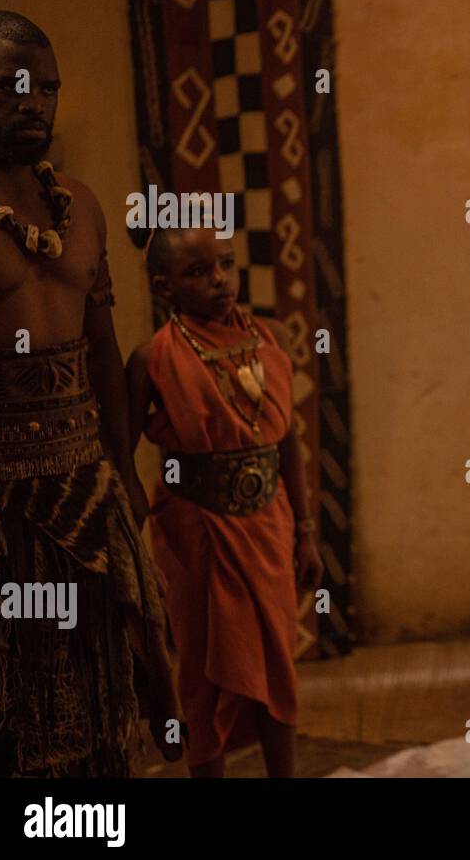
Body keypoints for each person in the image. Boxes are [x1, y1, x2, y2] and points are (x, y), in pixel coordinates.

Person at [0, 10, 177, 775]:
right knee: (4, 720)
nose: (34, 102)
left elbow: (100, 350)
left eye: (48, 87)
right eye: (10, 86)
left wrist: (122, 475)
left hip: (85, 494)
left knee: (101, 707)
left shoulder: (81, 207)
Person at [127, 226, 323, 777]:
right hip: (196, 533)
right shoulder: (153, 359)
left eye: (226, 265)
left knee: (277, 664)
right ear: (165, 287)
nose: (219, 281)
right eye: (198, 272)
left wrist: (305, 531)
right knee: (204, 670)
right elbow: (120, 456)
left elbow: (288, 441)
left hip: (268, 523)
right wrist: (132, 549)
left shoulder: (271, 340)